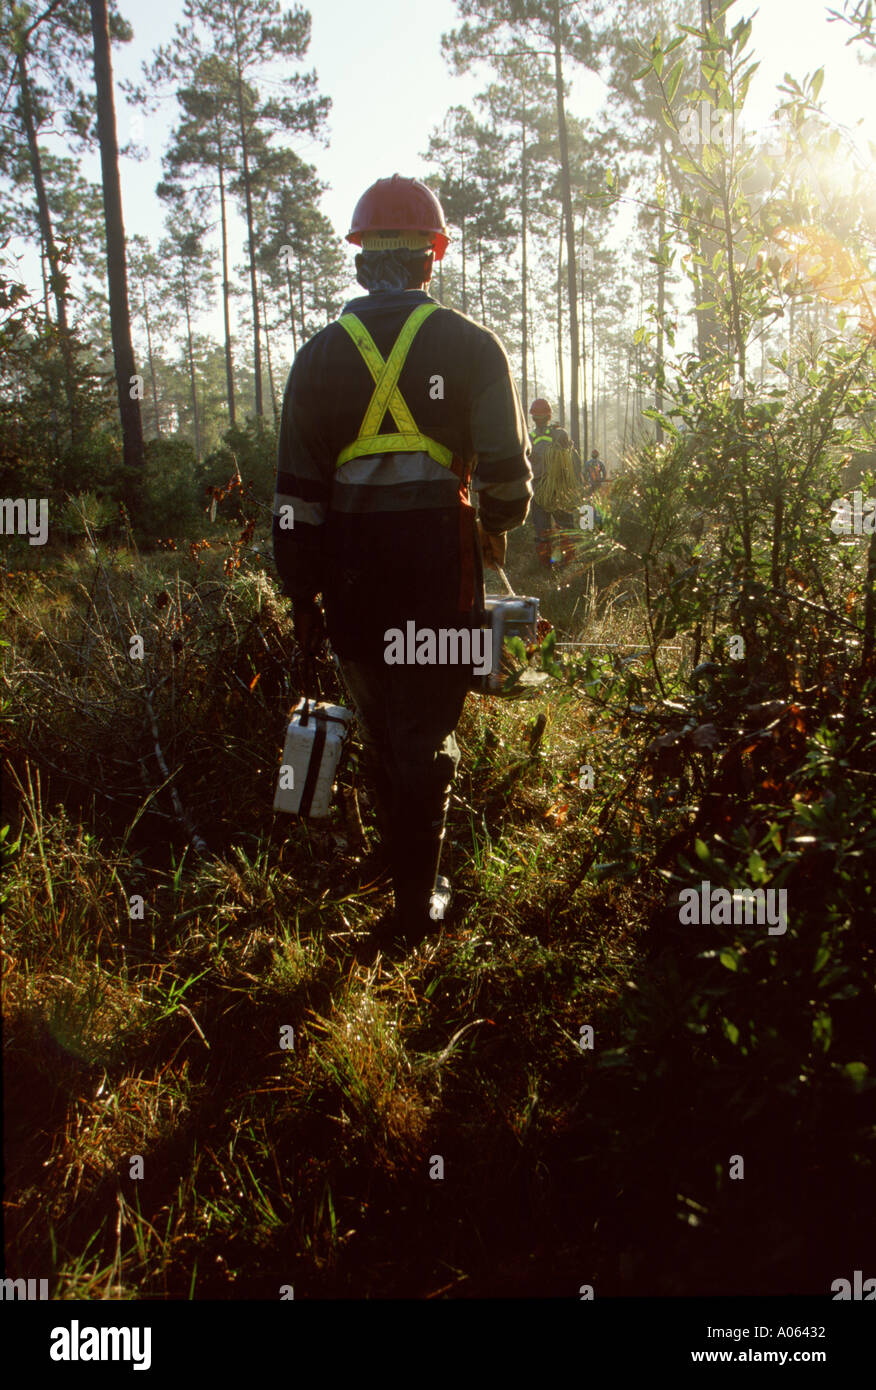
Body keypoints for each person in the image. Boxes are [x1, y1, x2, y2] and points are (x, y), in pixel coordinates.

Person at [272, 174, 532, 952]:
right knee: (424, 738)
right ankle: (417, 905)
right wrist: (495, 523)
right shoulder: (472, 345)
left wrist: (303, 592)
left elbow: (295, 501)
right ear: (433, 258)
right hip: (437, 576)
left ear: (360, 264)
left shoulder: (316, 359)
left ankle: (406, 893)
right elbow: (509, 481)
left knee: (384, 736)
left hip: (353, 584)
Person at [528, 401, 581, 567]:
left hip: (545, 489)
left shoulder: (530, 438)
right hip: (553, 489)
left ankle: (549, 567)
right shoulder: (559, 434)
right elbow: (572, 459)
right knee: (564, 527)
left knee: (543, 530)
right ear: (549, 416)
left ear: (533, 417)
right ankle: (565, 565)